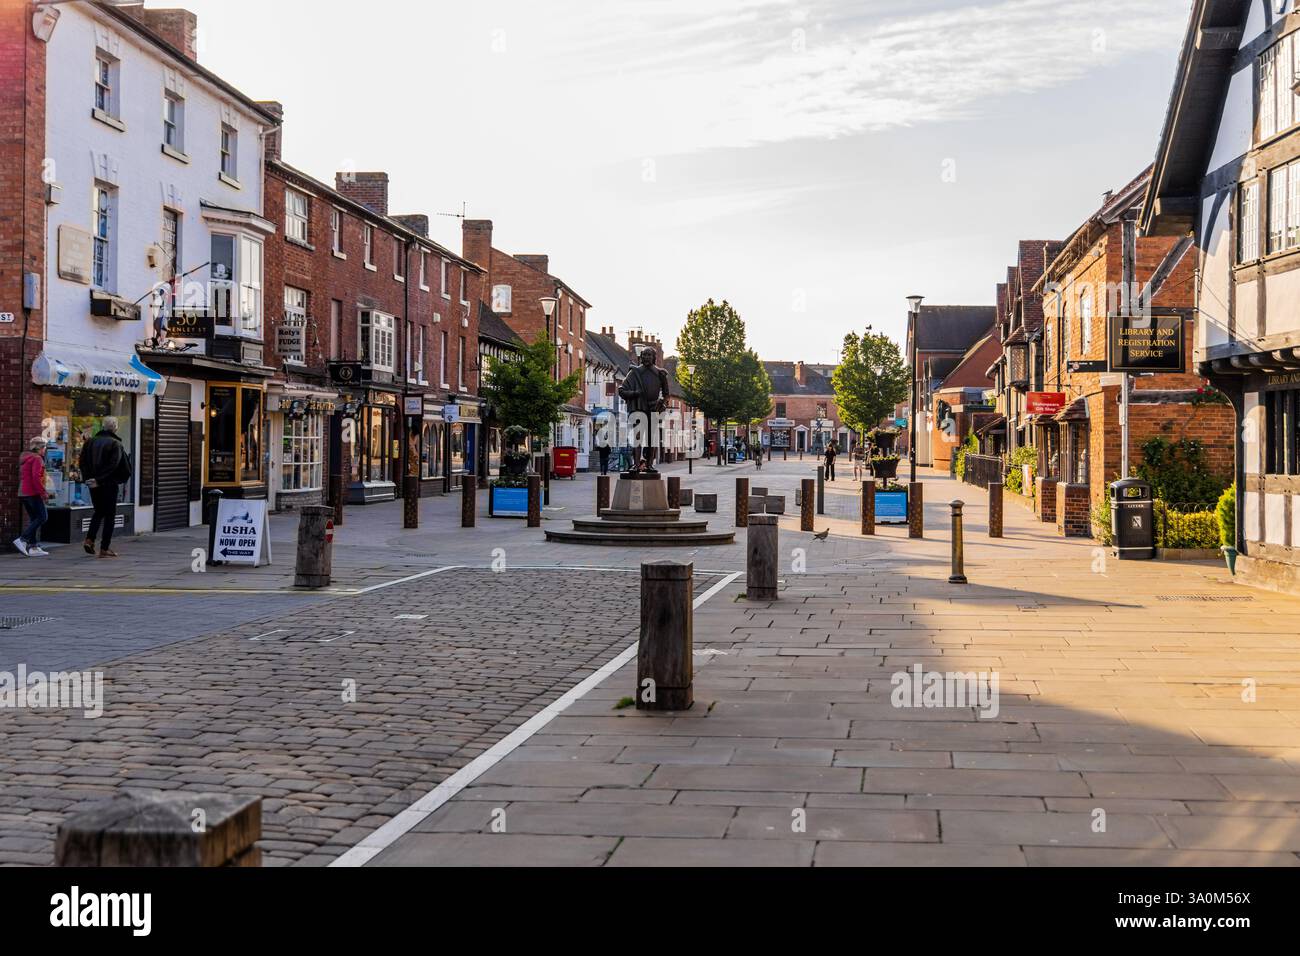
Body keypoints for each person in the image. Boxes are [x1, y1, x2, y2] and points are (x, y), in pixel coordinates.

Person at [78, 416, 131, 559]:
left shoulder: (90, 442)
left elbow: (82, 462)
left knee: (98, 511)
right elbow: (113, 466)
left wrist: (89, 479)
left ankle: (89, 539)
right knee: (110, 515)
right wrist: (100, 480)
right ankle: (104, 548)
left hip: (93, 484)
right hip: (108, 483)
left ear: (103, 427)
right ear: (115, 428)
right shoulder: (115, 444)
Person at [14, 436, 52, 557]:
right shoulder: (37, 459)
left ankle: (33, 547)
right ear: (40, 448)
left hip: (23, 492)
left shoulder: (26, 458)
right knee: (42, 517)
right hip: (32, 492)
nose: (45, 450)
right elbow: (36, 478)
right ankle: (23, 539)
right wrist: (43, 493)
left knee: (34, 518)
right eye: (45, 447)